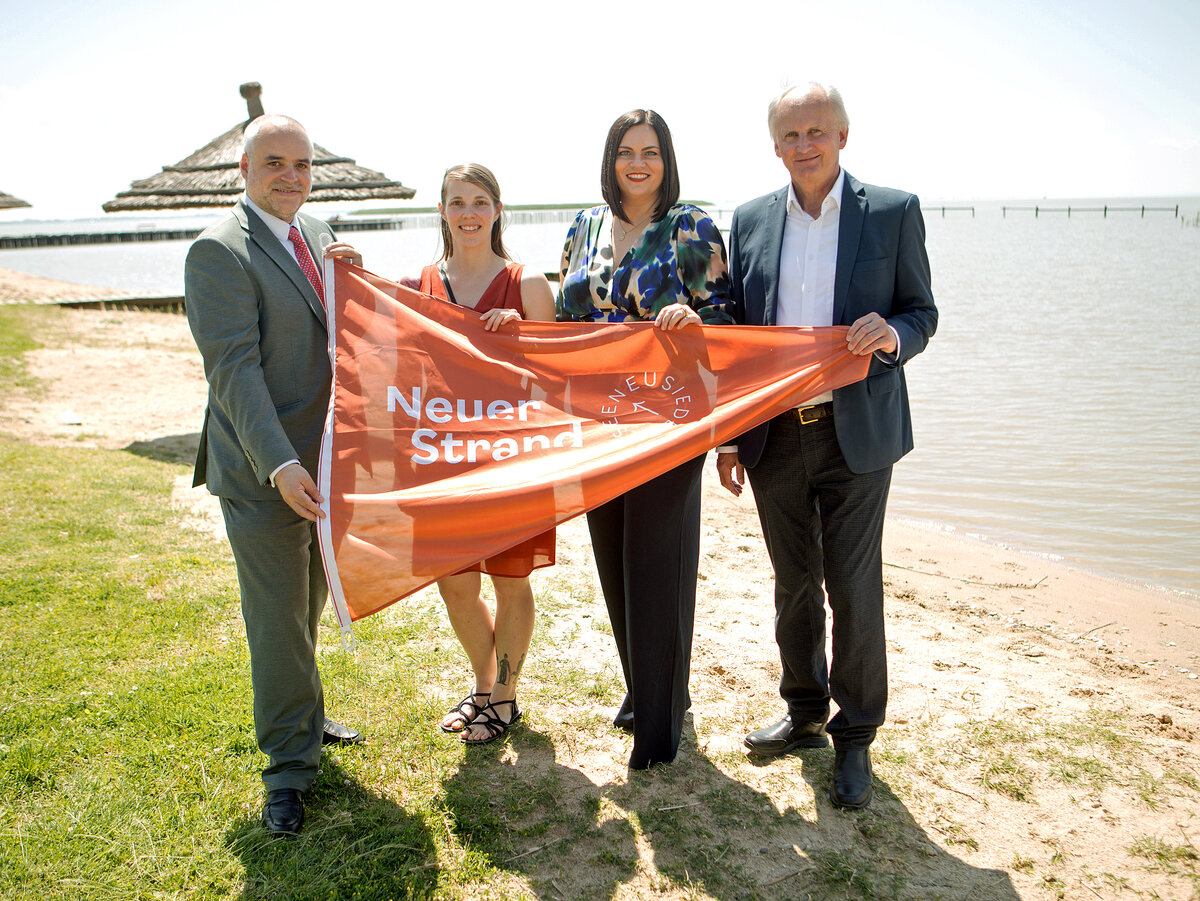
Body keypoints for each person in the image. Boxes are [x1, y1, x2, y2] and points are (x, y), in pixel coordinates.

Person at [716, 83, 937, 809]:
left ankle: (857, 735)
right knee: (793, 582)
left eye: (816, 131)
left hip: (859, 433)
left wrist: (894, 336)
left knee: (852, 584)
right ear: (774, 145)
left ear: (843, 135)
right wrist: (725, 437)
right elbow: (737, 339)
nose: (803, 145)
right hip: (773, 434)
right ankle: (805, 708)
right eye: (789, 135)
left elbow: (922, 312)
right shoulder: (746, 220)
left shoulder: (895, 211)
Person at [326, 163, 556, 745]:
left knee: (509, 581)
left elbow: (555, 380)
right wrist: (349, 273)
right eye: (457, 202)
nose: (469, 213)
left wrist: (522, 337)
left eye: (480, 201)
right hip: (441, 460)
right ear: (443, 212)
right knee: (455, 584)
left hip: (510, 458)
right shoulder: (418, 283)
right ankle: (482, 685)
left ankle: (505, 696)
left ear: (498, 210)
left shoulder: (528, 286)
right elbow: (381, 347)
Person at [185, 114, 364, 837]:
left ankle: (307, 717)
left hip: (323, 463)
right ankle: (288, 771)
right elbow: (235, 372)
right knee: (276, 623)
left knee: (307, 607)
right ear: (245, 170)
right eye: (275, 163)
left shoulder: (318, 233)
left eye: (302, 164)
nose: (291, 175)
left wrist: (353, 273)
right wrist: (281, 464)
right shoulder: (217, 251)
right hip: (265, 469)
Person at [558, 109, 732, 769]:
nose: (638, 163)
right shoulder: (584, 227)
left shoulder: (691, 226)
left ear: (667, 160)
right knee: (613, 559)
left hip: (668, 421)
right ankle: (647, 689)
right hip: (598, 424)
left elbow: (727, 321)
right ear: (611, 160)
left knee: (657, 565)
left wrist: (693, 320)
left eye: (650, 152)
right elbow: (567, 322)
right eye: (627, 151)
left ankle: (659, 732)